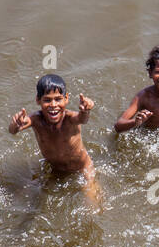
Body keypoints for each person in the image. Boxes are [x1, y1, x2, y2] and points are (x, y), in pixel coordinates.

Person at [8, 73, 101, 204]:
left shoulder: (69, 118)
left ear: (66, 99)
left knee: (92, 204)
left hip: (81, 168)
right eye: (47, 100)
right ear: (38, 100)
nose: (53, 104)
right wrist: (15, 125)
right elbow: (13, 131)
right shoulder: (36, 119)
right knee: (37, 200)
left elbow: (82, 119)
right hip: (55, 168)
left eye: (58, 99)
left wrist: (86, 111)